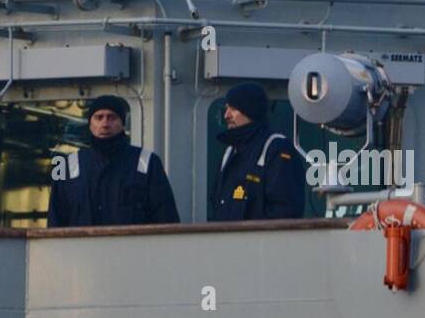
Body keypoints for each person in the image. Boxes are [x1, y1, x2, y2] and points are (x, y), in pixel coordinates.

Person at [47, 94, 179, 227]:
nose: (105, 124)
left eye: (112, 117)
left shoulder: (149, 162)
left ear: (122, 123)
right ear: (90, 124)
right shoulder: (63, 165)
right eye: (99, 117)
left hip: (134, 247)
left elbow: (167, 220)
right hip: (80, 247)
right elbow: (54, 220)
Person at [210, 83, 306, 221]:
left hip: (261, 241)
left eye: (234, 108)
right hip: (225, 241)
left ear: (251, 110)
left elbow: (285, 211)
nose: (226, 115)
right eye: (226, 108)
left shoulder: (276, 148)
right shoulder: (230, 152)